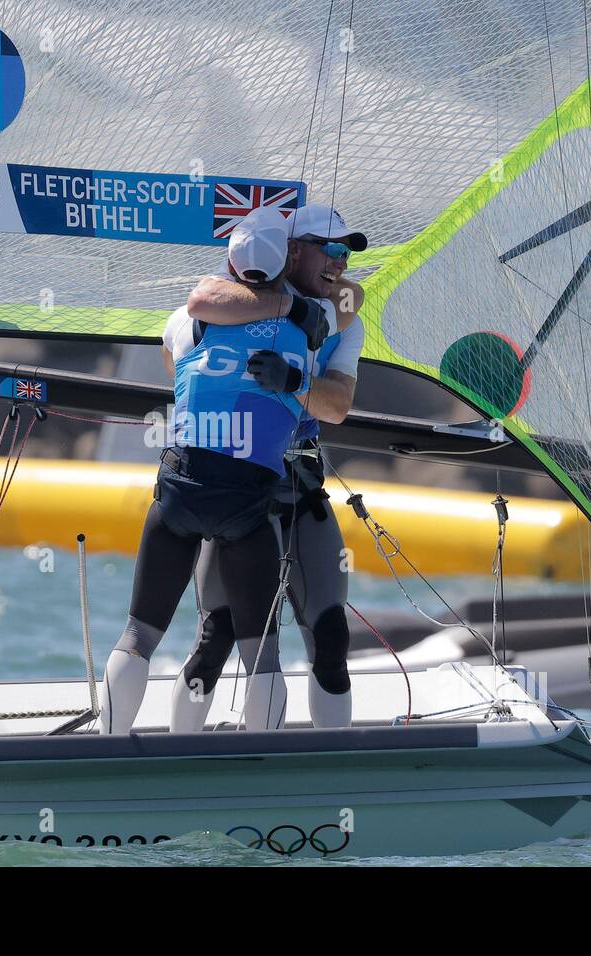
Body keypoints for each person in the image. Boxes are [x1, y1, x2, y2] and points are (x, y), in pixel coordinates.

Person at [99, 210, 340, 734]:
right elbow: (330, 392)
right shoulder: (312, 325)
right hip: (247, 504)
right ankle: (264, 760)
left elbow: (173, 357)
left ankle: (108, 743)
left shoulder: (187, 319)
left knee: (139, 634)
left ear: (230, 262)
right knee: (261, 654)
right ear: (288, 261)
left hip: (179, 492)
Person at [167, 203, 367, 731]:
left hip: (300, 493)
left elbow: (338, 406)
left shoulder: (343, 316)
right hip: (236, 495)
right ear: (291, 250)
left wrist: (295, 382)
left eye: (347, 254)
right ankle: (176, 761)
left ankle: (332, 774)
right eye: (332, 250)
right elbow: (198, 309)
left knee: (331, 638)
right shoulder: (221, 303)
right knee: (218, 639)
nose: (341, 264)